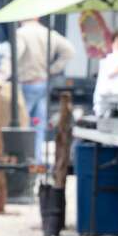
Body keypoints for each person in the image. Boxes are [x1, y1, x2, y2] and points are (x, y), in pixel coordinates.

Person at [16, 17, 75, 161]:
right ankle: (36, 161)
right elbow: (70, 51)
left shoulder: (21, 33)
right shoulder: (49, 33)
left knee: (22, 123)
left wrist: (5, 72)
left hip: (27, 84)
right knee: (38, 124)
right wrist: (52, 69)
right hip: (42, 84)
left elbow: (15, 54)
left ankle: (23, 160)